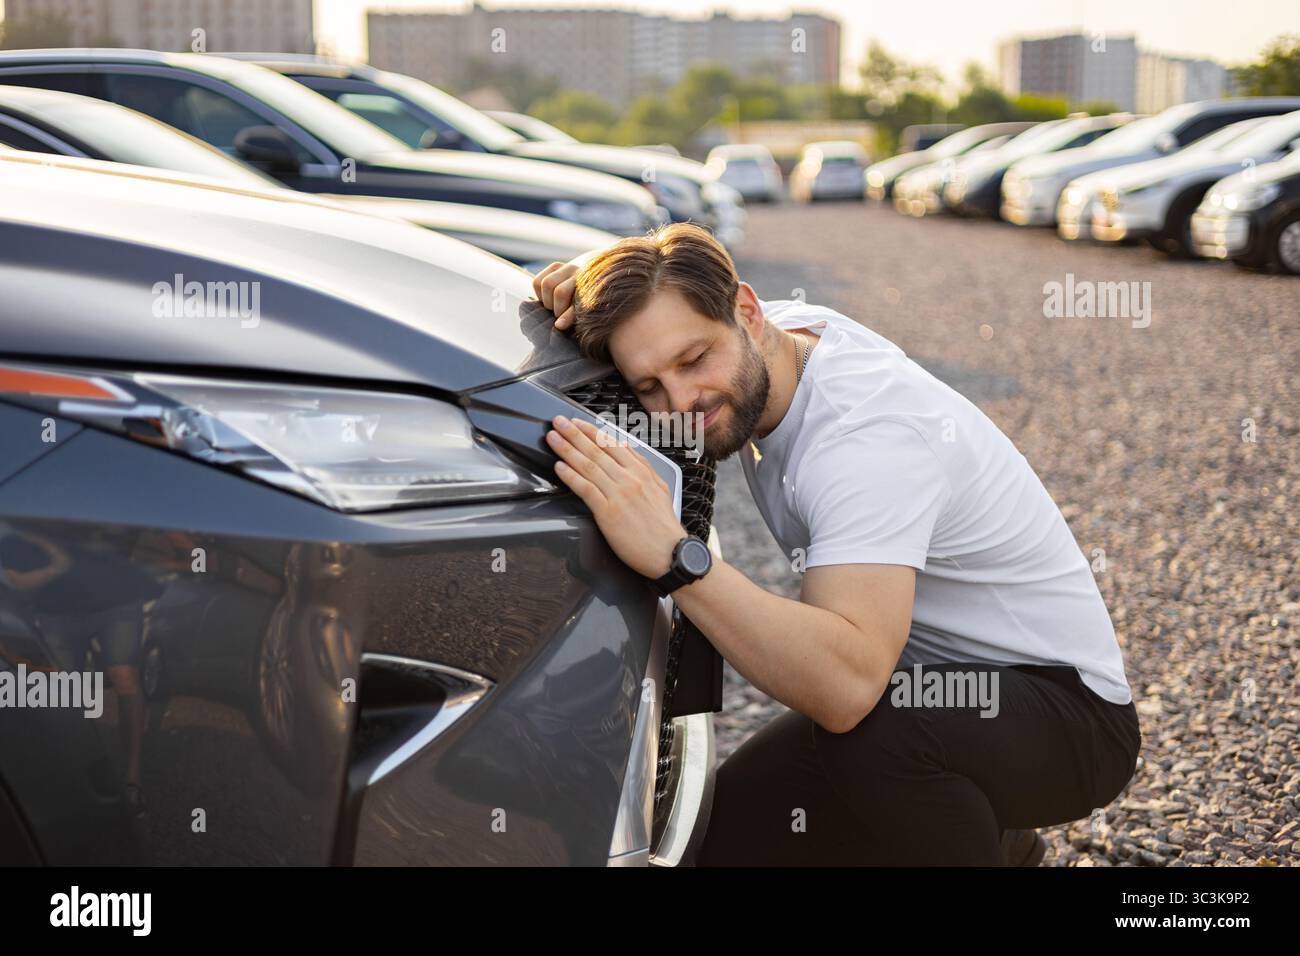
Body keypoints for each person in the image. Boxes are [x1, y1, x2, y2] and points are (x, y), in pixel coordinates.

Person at [531, 222, 1140, 866]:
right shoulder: (783, 338)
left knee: (871, 732)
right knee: (721, 840)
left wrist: (675, 557)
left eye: (693, 360)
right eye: (648, 385)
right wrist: (601, 274)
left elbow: (846, 685)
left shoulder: (867, 439)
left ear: (746, 311)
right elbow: (661, 293)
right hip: (933, 688)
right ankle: (996, 836)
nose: (680, 401)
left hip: (1067, 717)